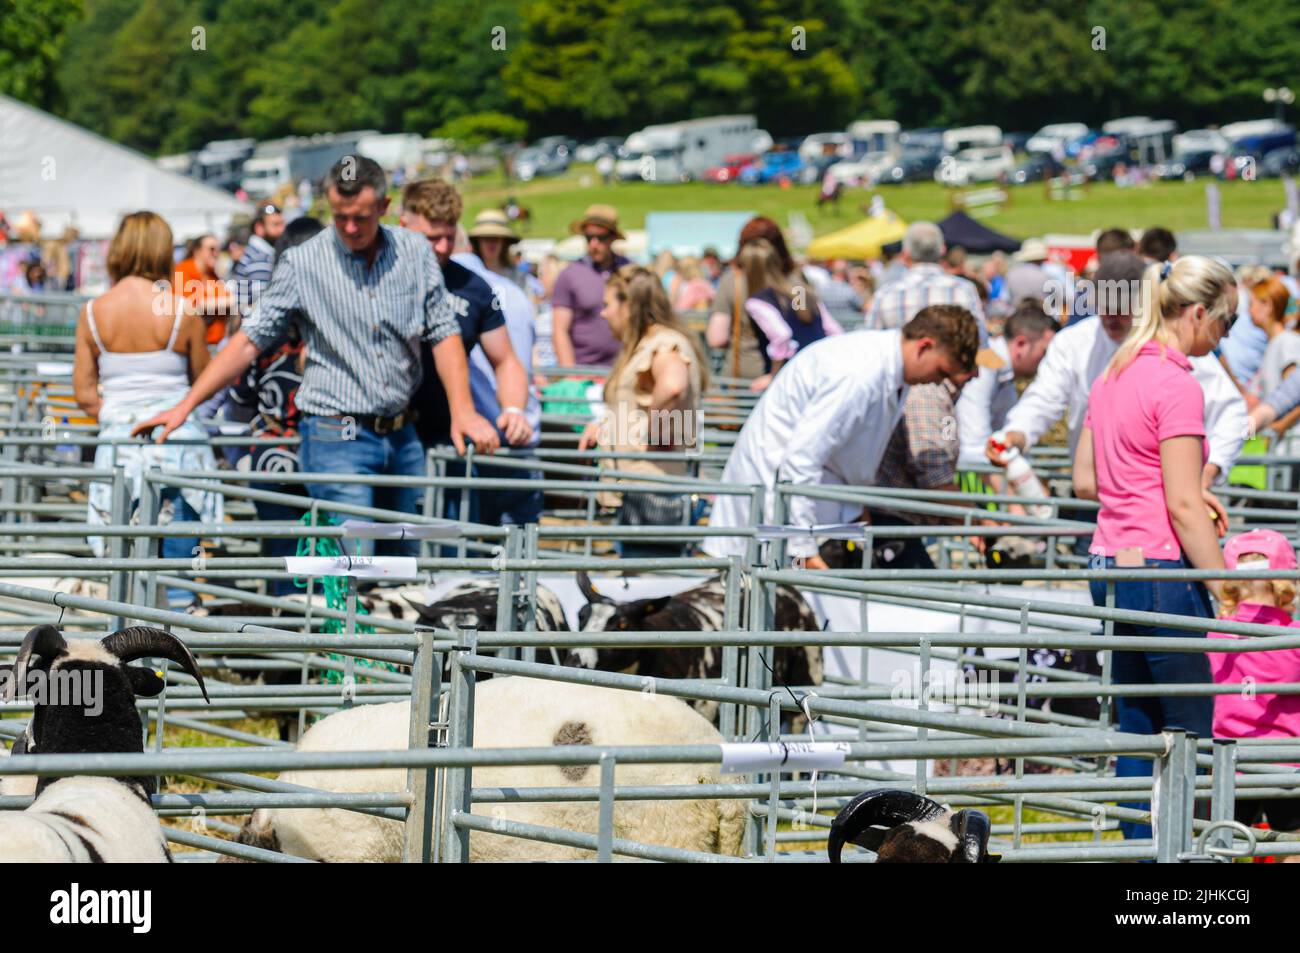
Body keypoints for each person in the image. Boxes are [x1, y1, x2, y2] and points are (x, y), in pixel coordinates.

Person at [132, 155, 497, 556]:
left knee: (403, 566)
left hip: (402, 432)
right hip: (335, 432)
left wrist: (463, 410)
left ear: (384, 207)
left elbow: (444, 332)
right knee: (352, 566)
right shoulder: (303, 261)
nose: (351, 228)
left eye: (361, 217)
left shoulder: (415, 253)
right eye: (341, 217)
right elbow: (250, 339)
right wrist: (187, 406)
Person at [1072, 254, 1237, 842]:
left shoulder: (1112, 374)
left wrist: (1165, 486)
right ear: (1196, 313)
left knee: (1137, 728)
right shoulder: (1175, 384)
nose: (1222, 338)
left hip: (1108, 563)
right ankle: (1187, 867)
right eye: (1225, 323)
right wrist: (1228, 588)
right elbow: (1183, 506)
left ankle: (1143, 858)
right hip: (1164, 570)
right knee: (1191, 728)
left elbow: (1086, 480)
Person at [702, 306, 979, 565]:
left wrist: (858, 513)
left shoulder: (891, 370)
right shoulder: (858, 372)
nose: (939, 381)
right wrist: (803, 550)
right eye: (941, 371)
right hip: (776, 499)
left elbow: (851, 454)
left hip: (816, 505)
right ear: (924, 346)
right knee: (756, 602)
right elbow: (801, 459)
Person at [994, 252, 1247, 489]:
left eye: (1121, 308)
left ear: (1145, 303)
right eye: (1104, 306)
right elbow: (1044, 398)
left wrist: (1210, 470)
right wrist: (1017, 433)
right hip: (1094, 493)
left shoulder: (1180, 348)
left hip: (1161, 497)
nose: (1111, 316)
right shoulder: (1073, 343)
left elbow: (1231, 412)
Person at [73, 212, 221, 608]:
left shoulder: (92, 313)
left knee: (123, 564)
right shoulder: (181, 311)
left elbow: (85, 394)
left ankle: (130, 656)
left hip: (121, 449)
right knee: (177, 564)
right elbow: (204, 382)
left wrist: (121, 414)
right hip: (177, 447)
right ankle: (175, 654)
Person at [578, 266, 709, 557]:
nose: (603, 313)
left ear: (629, 305)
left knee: (645, 586)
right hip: (643, 491)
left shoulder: (663, 345)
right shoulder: (653, 344)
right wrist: (606, 425)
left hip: (650, 495)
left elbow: (673, 385)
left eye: (608, 305)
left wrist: (656, 431)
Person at [224, 216, 322, 594]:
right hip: (332, 455)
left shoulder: (265, 319)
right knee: (331, 553)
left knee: (284, 559)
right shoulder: (336, 319)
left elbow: (241, 396)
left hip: (272, 454)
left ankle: (287, 637)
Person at [398, 180, 532, 457]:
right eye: (431, 238)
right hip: (390, 434)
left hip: (451, 434)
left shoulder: (474, 287)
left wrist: (514, 410)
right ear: (403, 226)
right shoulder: (380, 276)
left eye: (449, 236)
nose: (443, 247)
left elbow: (506, 360)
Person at [1206, 529, 1300, 859]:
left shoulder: (1216, 636)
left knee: (1217, 844)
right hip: (1284, 762)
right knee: (1292, 843)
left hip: (1230, 761)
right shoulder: (1293, 638)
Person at [454, 233, 545, 527]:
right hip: (517, 433)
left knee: (467, 551)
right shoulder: (516, 293)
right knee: (516, 549)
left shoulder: (459, 291)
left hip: (481, 439)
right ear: (474, 245)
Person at [705, 216, 829, 380]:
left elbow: (716, 338)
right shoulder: (796, 283)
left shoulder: (732, 282)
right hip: (794, 373)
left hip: (747, 377)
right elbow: (806, 320)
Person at [955, 302, 1056, 473]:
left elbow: (1003, 434)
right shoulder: (987, 365)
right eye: (1044, 352)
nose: (1049, 360)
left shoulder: (1003, 374)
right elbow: (974, 445)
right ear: (1021, 344)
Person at [737, 239, 844, 391]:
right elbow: (833, 329)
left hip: (795, 378)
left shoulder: (758, 301)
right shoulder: (800, 292)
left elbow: (782, 335)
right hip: (822, 370)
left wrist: (774, 376)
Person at [864, 222, 987, 343]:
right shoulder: (964, 290)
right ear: (942, 250)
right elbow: (981, 343)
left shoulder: (885, 294)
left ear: (905, 254)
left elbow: (872, 347)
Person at [551, 204, 630, 367]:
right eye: (588, 238)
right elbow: (559, 330)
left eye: (601, 238)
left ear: (613, 237)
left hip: (625, 368)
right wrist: (571, 377)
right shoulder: (570, 274)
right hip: (585, 371)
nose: (594, 244)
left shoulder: (629, 271)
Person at [229, 204, 285, 317]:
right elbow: (263, 305)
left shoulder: (257, 253)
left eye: (282, 224)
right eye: (276, 225)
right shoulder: (259, 258)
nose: (282, 230)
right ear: (259, 228)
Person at [175, 234, 233, 344]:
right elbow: (188, 307)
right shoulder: (182, 271)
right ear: (197, 251)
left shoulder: (212, 275)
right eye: (211, 249)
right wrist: (232, 302)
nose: (216, 253)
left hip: (216, 342)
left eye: (218, 250)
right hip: (195, 345)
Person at [466, 209, 523, 287]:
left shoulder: (516, 275)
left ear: (504, 242)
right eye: (486, 238)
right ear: (478, 241)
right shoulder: (468, 273)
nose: (491, 243)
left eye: (495, 238)